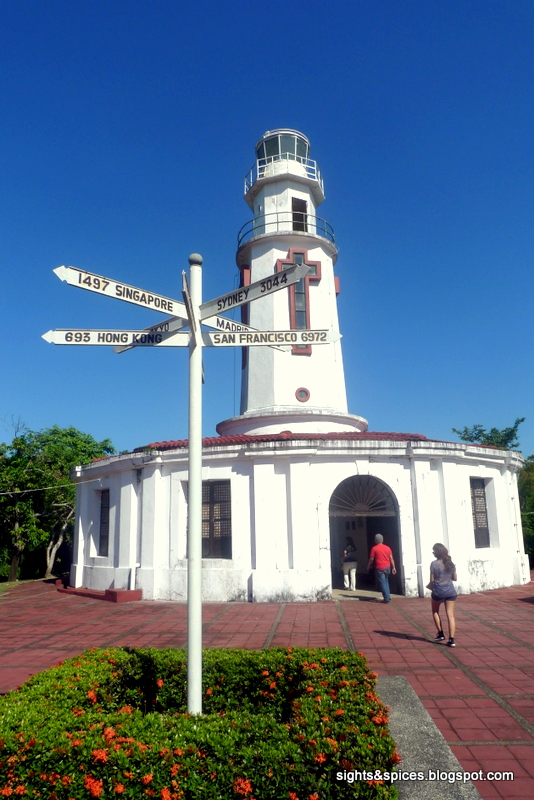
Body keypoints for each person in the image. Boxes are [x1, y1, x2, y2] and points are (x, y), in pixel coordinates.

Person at [429, 543, 457, 647]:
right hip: (450, 591)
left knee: (435, 611)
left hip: (438, 591)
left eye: (434, 551)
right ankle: (451, 639)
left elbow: (432, 580)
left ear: (437, 552)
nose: (433, 552)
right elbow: (455, 578)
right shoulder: (450, 563)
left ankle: (440, 633)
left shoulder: (434, 564)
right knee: (450, 615)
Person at [367, 533, 396, 603]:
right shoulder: (388, 548)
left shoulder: (374, 548)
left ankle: (386, 598)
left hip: (380, 567)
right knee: (386, 581)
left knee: (382, 582)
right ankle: (388, 596)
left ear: (375, 540)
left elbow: (371, 559)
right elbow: (391, 558)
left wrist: (368, 566)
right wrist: (394, 567)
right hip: (388, 567)